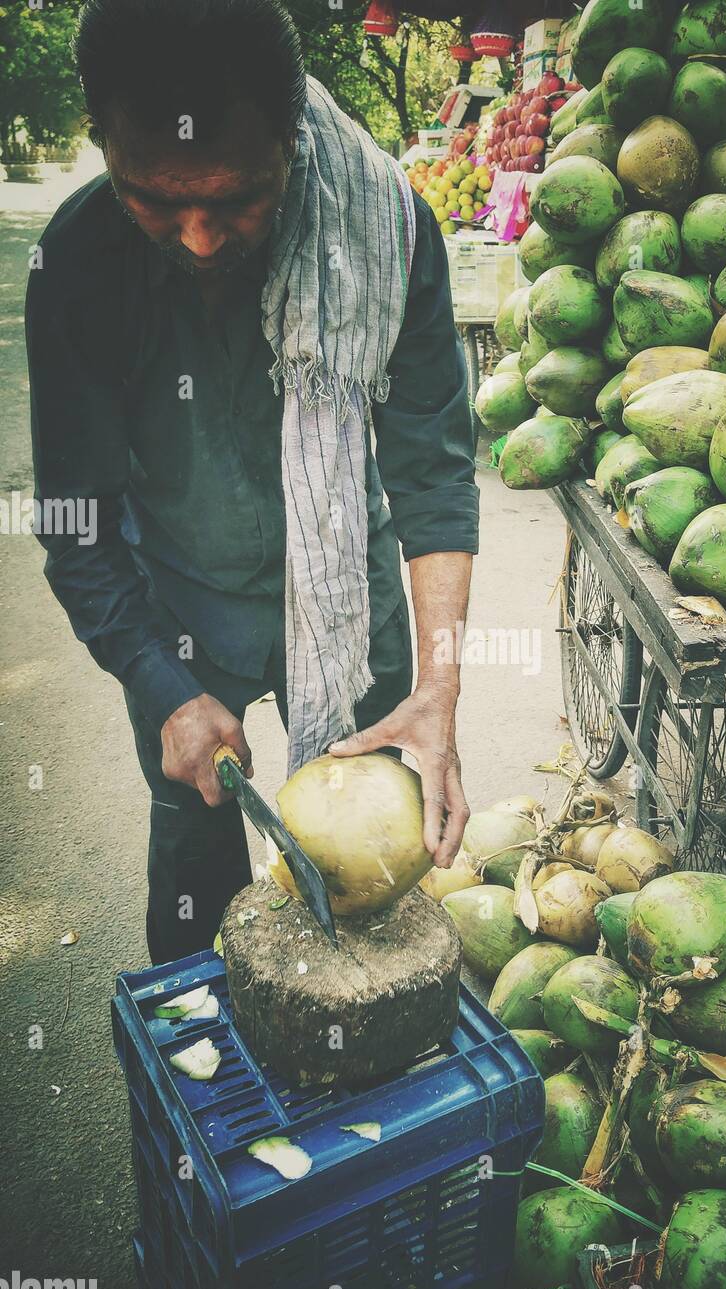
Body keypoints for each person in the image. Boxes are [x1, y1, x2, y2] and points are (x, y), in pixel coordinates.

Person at [26, 0, 478, 964]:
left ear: (291, 138)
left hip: (349, 607)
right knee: (197, 892)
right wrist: (162, 686)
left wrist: (437, 689)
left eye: (236, 200)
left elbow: (433, 477)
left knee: (375, 888)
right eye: (153, 197)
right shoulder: (76, 262)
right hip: (177, 618)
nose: (196, 238)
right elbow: (76, 525)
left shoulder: (386, 231)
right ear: (103, 142)